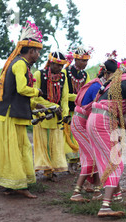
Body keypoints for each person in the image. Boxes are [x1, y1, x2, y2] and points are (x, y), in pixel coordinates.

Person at [0, 21, 43, 199]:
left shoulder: (18, 63)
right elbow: (22, 89)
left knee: (14, 148)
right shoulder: (20, 64)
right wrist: (37, 92)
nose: (38, 55)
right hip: (8, 115)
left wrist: (36, 105)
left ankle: (7, 183)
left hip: (8, 114)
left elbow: (16, 93)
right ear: (31, 51)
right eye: (38, 51)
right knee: (15, 149)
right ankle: (18, 185)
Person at [86, 49, 126, 217]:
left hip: (94, 119)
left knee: (107, 159)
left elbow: (119, 115)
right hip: (103, 122)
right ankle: (105, 206)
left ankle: (117, 196)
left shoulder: (115, 80)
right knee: (115, 163)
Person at [70, 52, 118, 202]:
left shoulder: (102, 85)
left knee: (95, 155)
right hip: (80, 123)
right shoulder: (97, 86)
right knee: (91, 157)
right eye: (114, 75)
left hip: (85, 122)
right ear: (107, 73)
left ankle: (97, 190)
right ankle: (76, 193)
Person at [32, 50, 69, 181]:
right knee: (43, 143)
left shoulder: (63, 77)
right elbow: (34, 97)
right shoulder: (39, 74)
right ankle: (47, 170)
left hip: (56, 117)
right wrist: (52, 106)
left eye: (61, 65)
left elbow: (64, 98)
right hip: (42, 114)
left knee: (55, 144)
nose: (59, 68)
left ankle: (52, 169)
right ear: (50, 62)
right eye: (57, 65)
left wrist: (64, 113)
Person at [63, 46, 92, 173]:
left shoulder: (86, 75)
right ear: (75, 59)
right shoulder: (65, 72)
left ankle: (77, 164)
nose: (85, 63)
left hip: (80, 112)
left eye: (86, 61)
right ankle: (70, 164)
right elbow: (64, 94)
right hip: (68, 110)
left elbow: (89, 92)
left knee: (80, 137)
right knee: (69, 137)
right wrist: (79, 97)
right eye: (83, 61)